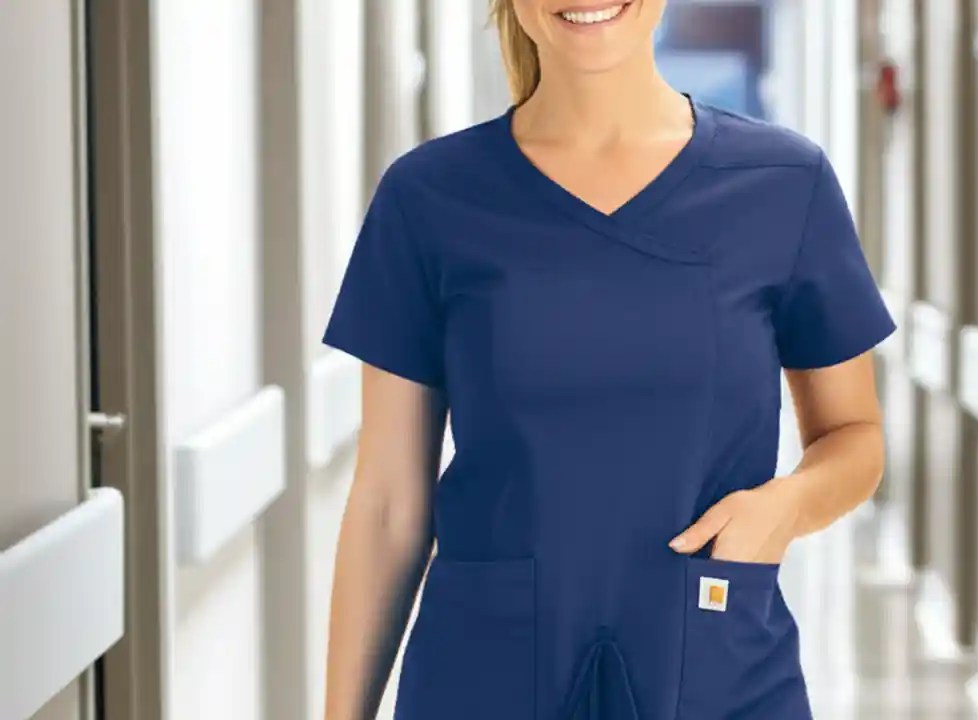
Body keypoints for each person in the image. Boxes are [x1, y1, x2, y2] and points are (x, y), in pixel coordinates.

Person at [320, 1, 896, 718]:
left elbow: (855, 438)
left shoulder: (783, 184)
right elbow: (386, 503)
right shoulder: (429, 199)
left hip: (715, 670)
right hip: (486, 678)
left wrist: (781, 509)